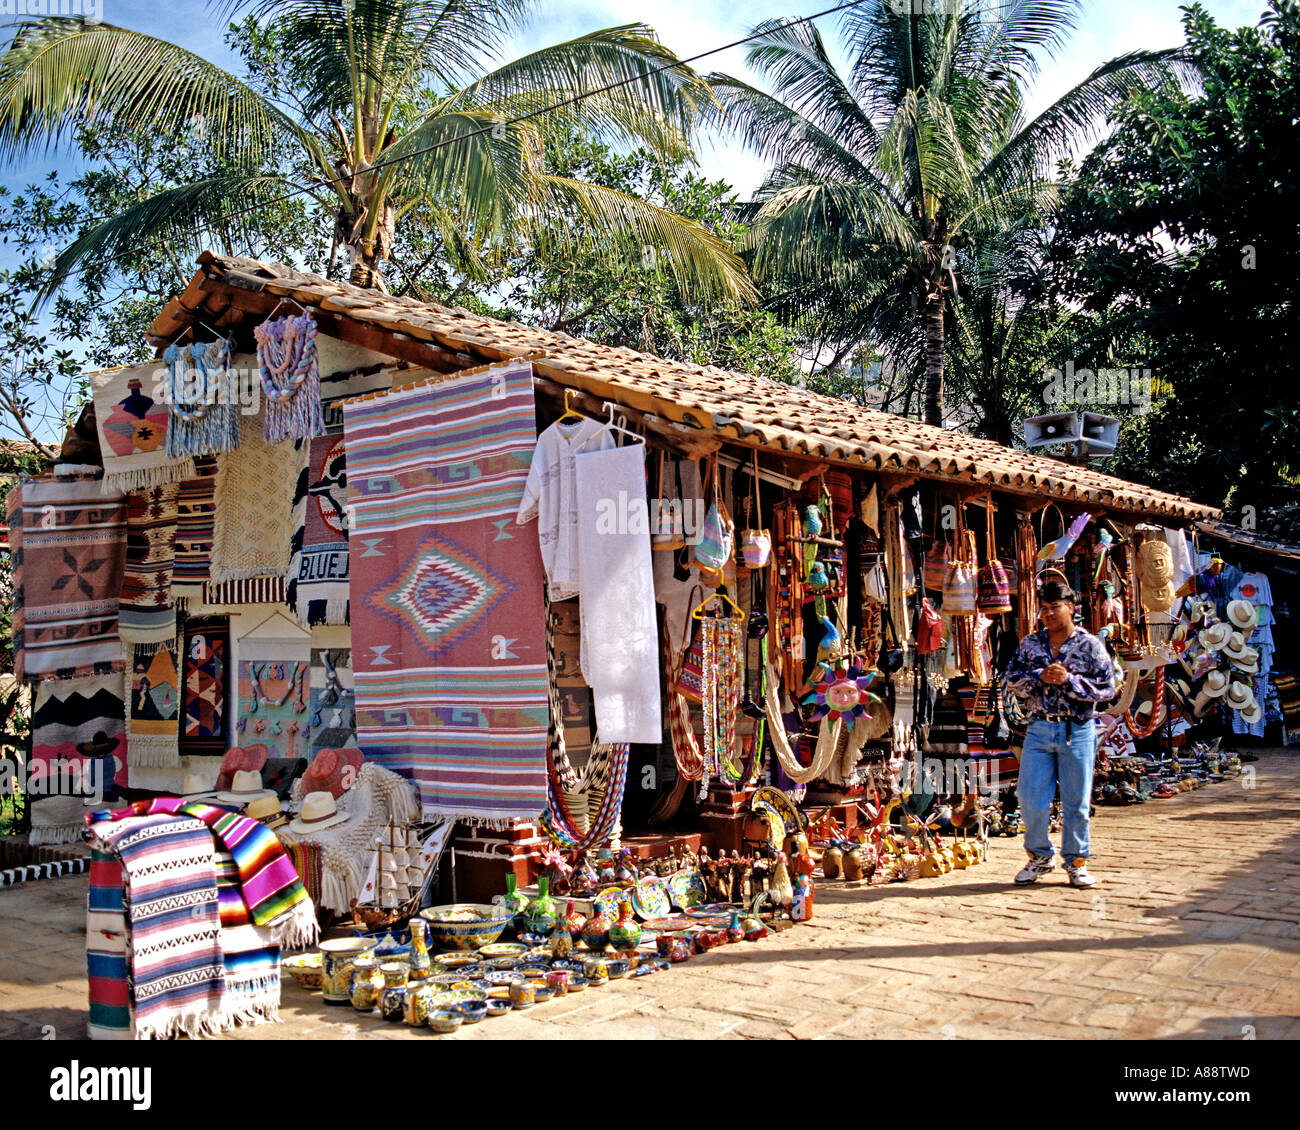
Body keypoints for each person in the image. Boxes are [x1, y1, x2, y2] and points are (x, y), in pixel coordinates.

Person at [1004, 578, 1119, 888]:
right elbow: (1011, 680)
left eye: (1055, 608)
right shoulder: (1030, 644)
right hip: (1039, 728)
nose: (1049, 614)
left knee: (1076, 801)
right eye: (1043, 609)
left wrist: (1069, 680)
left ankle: (1077, 861)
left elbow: (1109, 689)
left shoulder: (1090, 645)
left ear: (1071, 608)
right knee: (1030, 798)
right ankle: (1040, 856)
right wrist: (1039, 677)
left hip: (1077, 729)